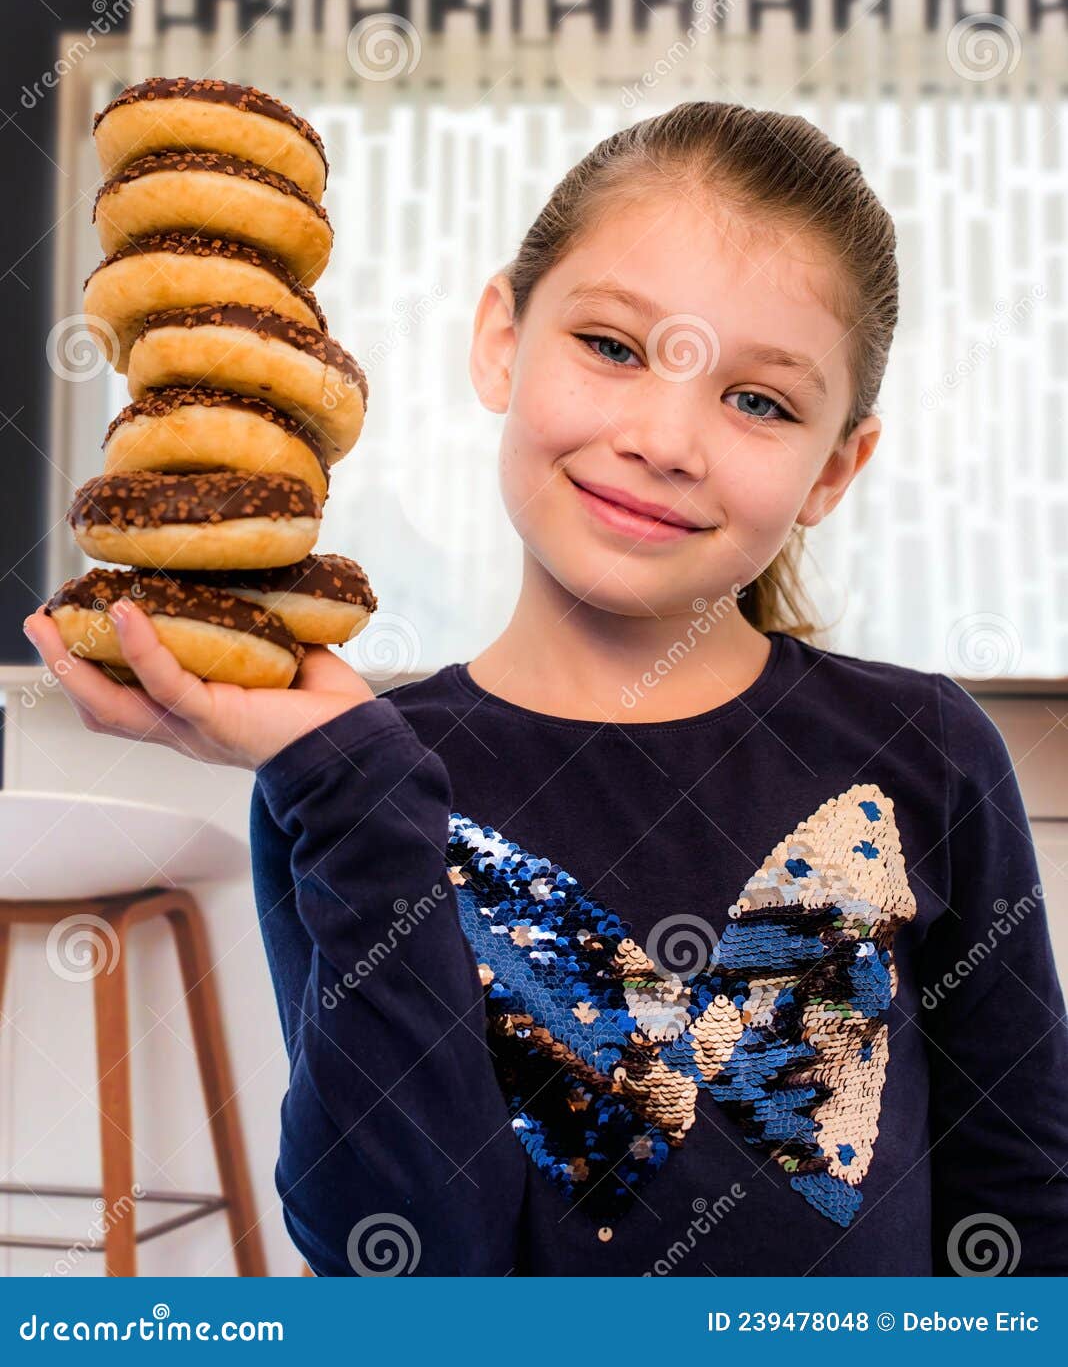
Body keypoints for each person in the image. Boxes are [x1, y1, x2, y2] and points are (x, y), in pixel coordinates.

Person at [24, 100, 1068, 1279]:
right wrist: (348, 790)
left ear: (835, 466)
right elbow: (404, 1265)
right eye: (613, 348)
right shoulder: (351, 767)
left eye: (760, 400)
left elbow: (1027, 1206)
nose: (665, 438)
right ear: (501, 340)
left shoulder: (926, 749)